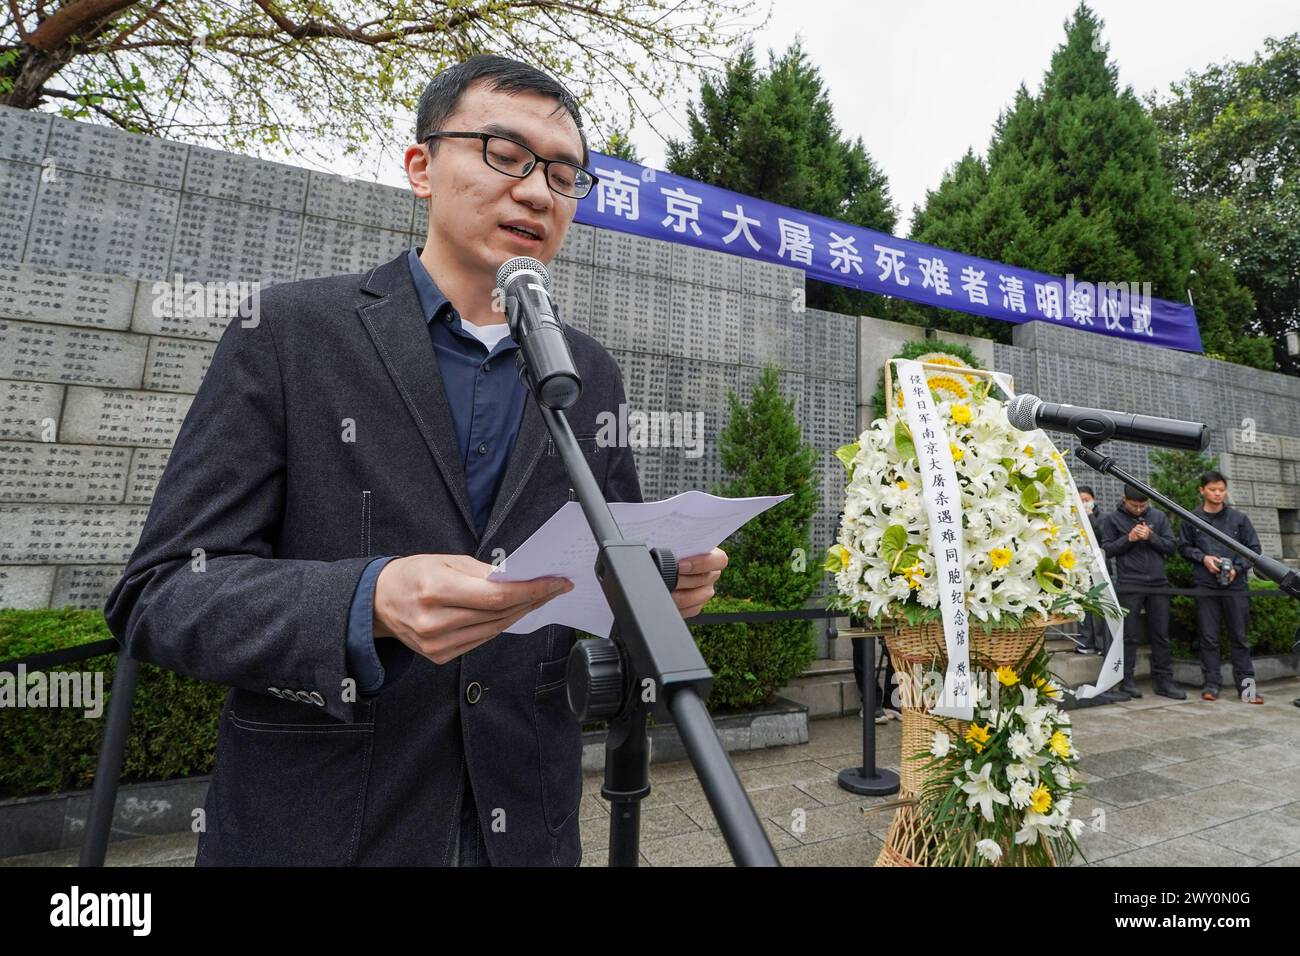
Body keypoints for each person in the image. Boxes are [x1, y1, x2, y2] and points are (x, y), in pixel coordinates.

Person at [103, 55, 728, 866]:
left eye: (566, 174)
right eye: (504, 154)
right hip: (321, 827)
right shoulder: (290, 334)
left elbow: (592, 588)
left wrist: (653, 592)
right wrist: (367, 601)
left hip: (527, 825)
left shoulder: (590, 371)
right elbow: (160, 595)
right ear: (422, 168)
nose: (538, 192)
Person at [1176, 470, 1263, 704]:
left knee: (1240, 638)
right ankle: (1211, 685)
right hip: (1205, 585)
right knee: (1209, 638)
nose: (1217, 494)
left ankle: (1247, 690)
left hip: (1236, 586)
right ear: (1202, 490)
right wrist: (1203, 558)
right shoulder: (1191, 518)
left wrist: (1237, 567)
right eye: (1213, 489)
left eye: (1221, 490)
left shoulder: (1239, 519)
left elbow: (1254, 548)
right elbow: (1183, 547)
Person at [1098, 485, 1185, 700]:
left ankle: (1164, 682)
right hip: (1130, 583)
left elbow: (1172, 547)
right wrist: (1129, 538)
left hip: (1158, 583)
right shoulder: (1112, 519)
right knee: (1129, 635)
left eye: (1143, 505)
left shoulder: (1158, 517)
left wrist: (1151, 536)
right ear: (1123, 499)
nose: (1138, 509)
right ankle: (1127, 681)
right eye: (1134, 505)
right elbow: (1107, 549)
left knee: (1161, 634)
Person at [1073, 485, 1105, 655]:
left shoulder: (1102, 517)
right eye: (1081, 500)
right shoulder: (1073, 517)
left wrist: (1090, 517)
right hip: (1081, 568)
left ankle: (1101, 644)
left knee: (1098, 607)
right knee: (1083, 605)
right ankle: (1085, 643)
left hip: (1099, 567)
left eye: (1087, 499)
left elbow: (1102, 537)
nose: (1084, 503)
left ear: (1093, 500)